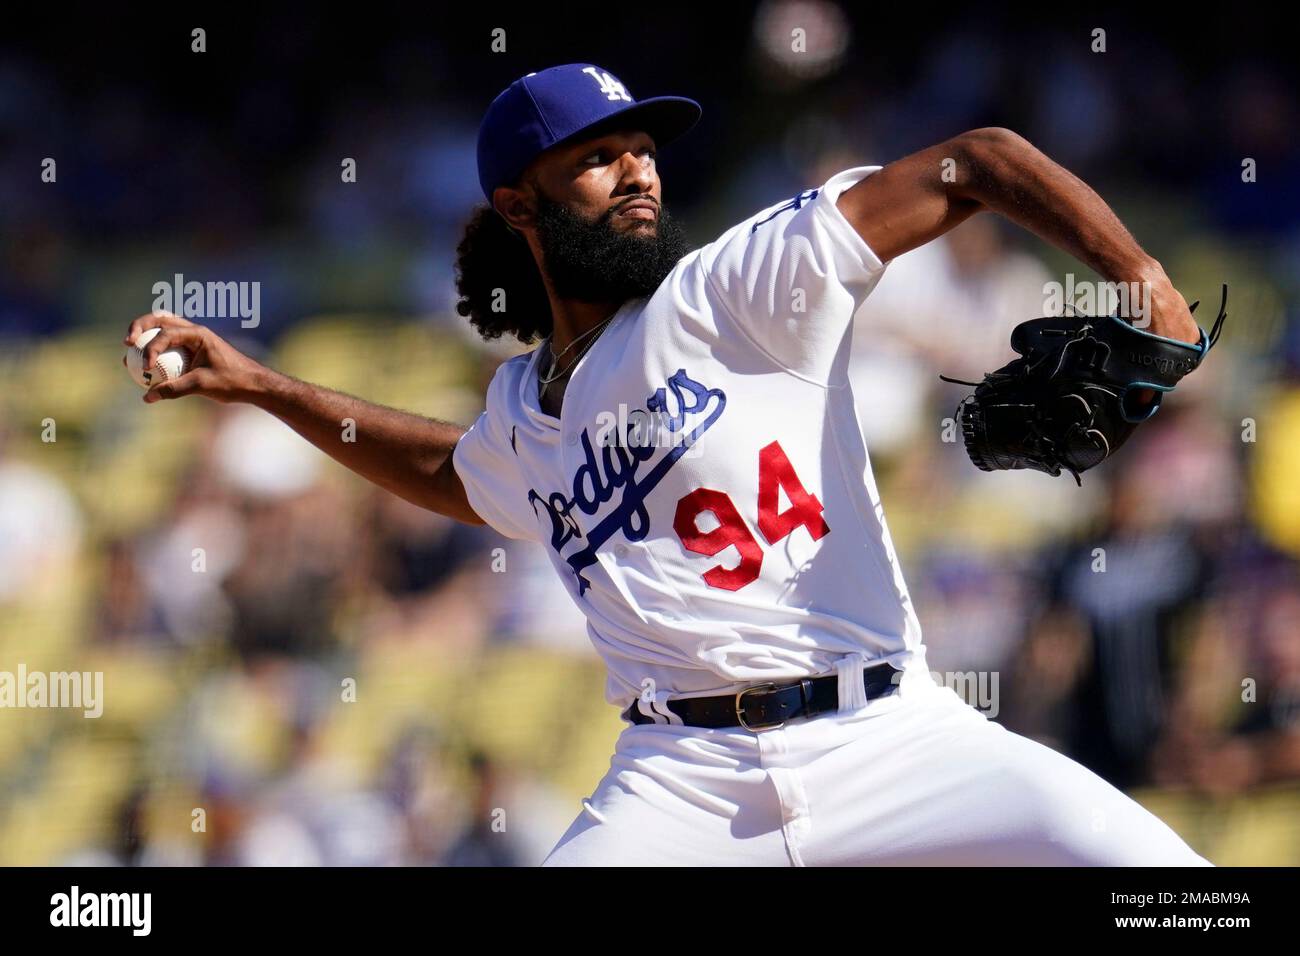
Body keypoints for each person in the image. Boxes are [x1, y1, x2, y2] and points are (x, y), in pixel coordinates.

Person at [127, 63, 1211, 865]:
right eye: (595, 156)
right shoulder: (519, 412)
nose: (635, 168)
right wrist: (258, 384)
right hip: (681, 782)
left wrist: (1137, 277)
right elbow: (453, 474)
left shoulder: (733, 288)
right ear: (520, 204)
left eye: (641, 147)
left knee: (1176, 888)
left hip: (890, 733)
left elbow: (975, 160)